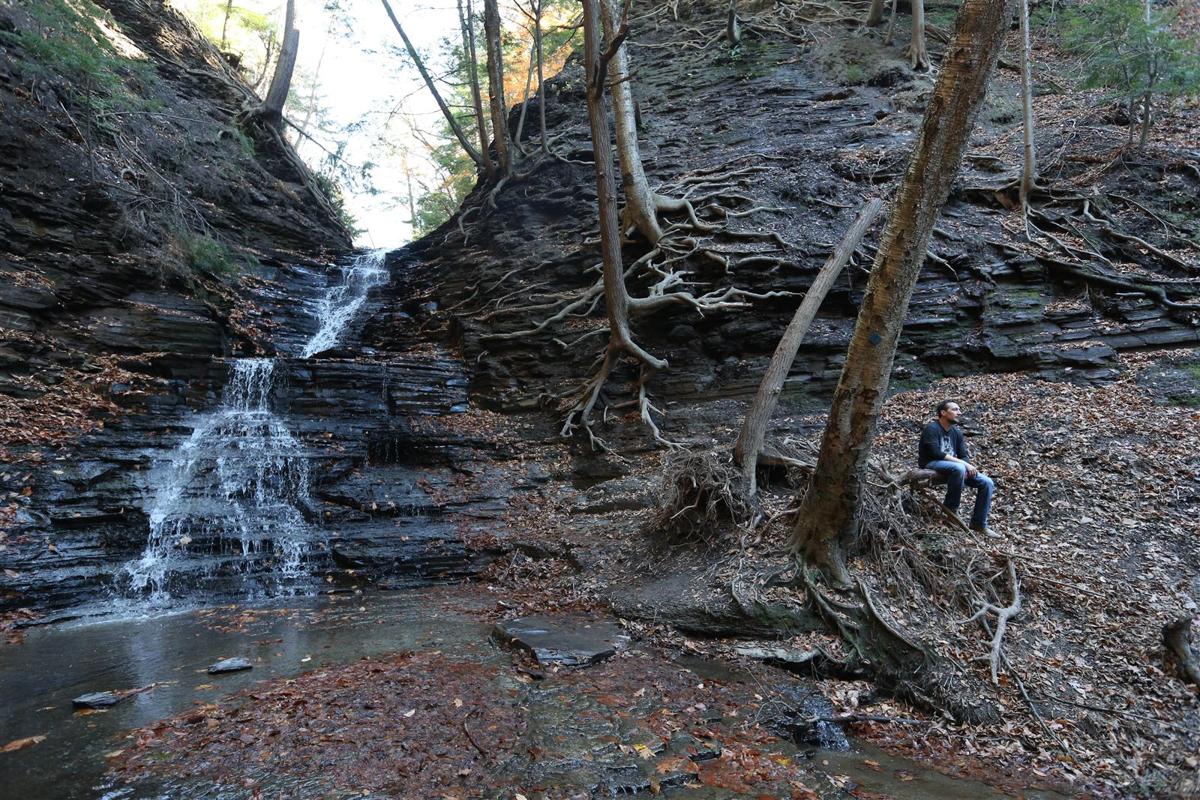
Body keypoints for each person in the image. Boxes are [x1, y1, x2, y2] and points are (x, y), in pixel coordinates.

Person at [917, 400, 996, 536]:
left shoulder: (956, 433)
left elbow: (963, 455)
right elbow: (935, 453)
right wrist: (963, 464)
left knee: (987, 482)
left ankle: (979, 523)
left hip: (955, 467)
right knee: (959, 468)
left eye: (959, 410)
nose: (959, 413)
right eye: (955, 409)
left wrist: (964, 464)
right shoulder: (932, 429)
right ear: (943, 413)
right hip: (932, 463)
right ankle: (951, 510)